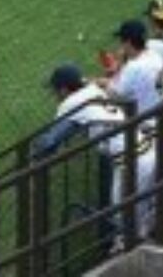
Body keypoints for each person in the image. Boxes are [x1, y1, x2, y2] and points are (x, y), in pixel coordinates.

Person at [36, 64, 155, 240]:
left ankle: (129, 250)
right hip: (146, 150)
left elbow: (50, 141)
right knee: (136, 213)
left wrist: (38, 151)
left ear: (63, 90)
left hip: (134, 161)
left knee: (123, 217)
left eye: (55, 89)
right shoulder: (92, 90)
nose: (54, 94)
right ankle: (137, 240)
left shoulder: (70, 103)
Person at [104, 20, 163, 118]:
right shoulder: (156, 56)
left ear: (128, 42)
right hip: (161, 115)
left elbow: (113, 95)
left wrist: (120, 65)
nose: (120, 44)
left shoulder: (133, 67)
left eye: (122, 41)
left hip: (145, 123)